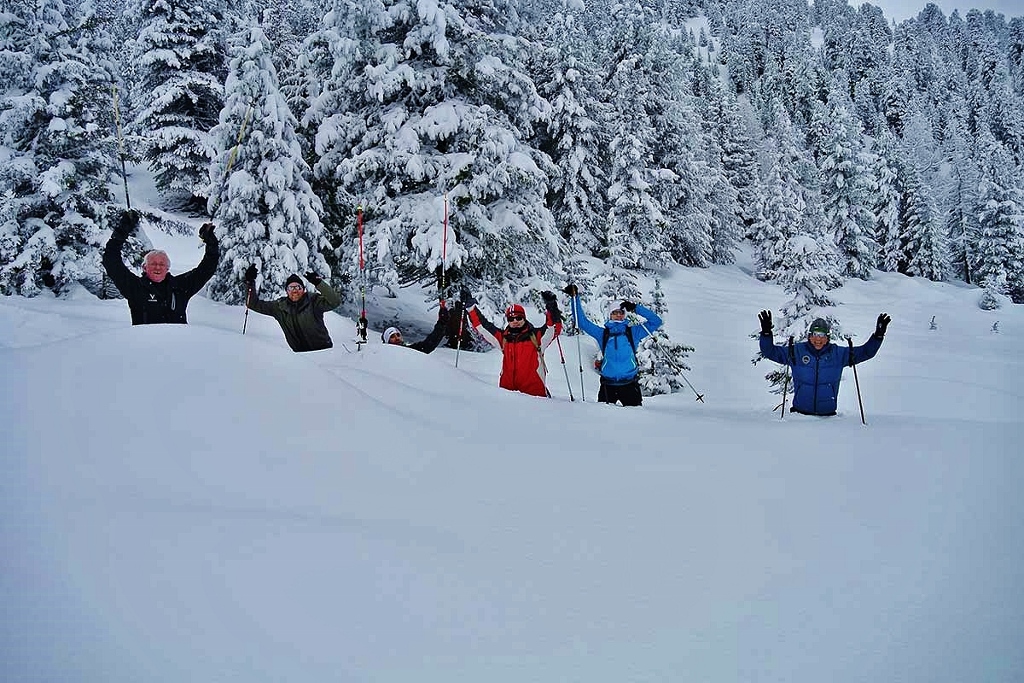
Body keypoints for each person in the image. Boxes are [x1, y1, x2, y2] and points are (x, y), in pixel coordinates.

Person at [757, 310, 891, 416]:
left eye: (822, 335)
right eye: (815, 335)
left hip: (828, 418)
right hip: (799, 416)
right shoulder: (796, 352)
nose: (818, 339)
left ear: (827, 338)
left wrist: (878, 336)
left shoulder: (838, 354)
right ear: (809, 336)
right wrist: (767, 334)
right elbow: (770, 352)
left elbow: (866, 352)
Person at [102, 209, 219, 324]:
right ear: (144, 268)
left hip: (179, 342)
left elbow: (206, 269)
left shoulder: (180, 287)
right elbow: (112, 262)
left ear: (167, 268)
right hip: (145, 341)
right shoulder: (135, 288)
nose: (157, 267)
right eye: (153, 264)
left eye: (161, 264)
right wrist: (121, 233)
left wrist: (211, 244)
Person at [563, 284, 663, 406]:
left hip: (629, 384)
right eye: (615, 312)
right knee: (603, 421)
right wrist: (575, 298)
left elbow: (656, 321)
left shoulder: (633, 332)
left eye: (621, 312)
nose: (618, 315)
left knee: (635, 420)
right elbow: (582, 322)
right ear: (610, 314)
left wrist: (635, 308)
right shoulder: (603, 334)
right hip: (607, 385)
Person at [462, 288, 562, 397]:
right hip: (507, 397)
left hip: (534, 397)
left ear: (524, 318)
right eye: (511, 319)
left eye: (518, 318)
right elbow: (483, 327)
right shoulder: (503, 339)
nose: (515, 321)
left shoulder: (537, 337)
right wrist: (471, 308)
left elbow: (553, 329)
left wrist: (552, 309)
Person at [244, 267, 341, 352]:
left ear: (303, 290)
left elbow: (335, 301)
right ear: (287, 291)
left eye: (298, 287)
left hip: (324, 352)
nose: (295, 290)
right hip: (300, 357)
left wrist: (319, 283)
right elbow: (252, 304)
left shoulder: (314, 302)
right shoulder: (279, 307)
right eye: (291, 287)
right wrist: (250, 283)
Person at [381, 303, 450, 354]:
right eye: (392, 336)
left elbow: (428, 345)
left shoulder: (410, 350)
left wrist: (442, 323)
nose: (397, 338)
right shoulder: (383, 354)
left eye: (398, 335)